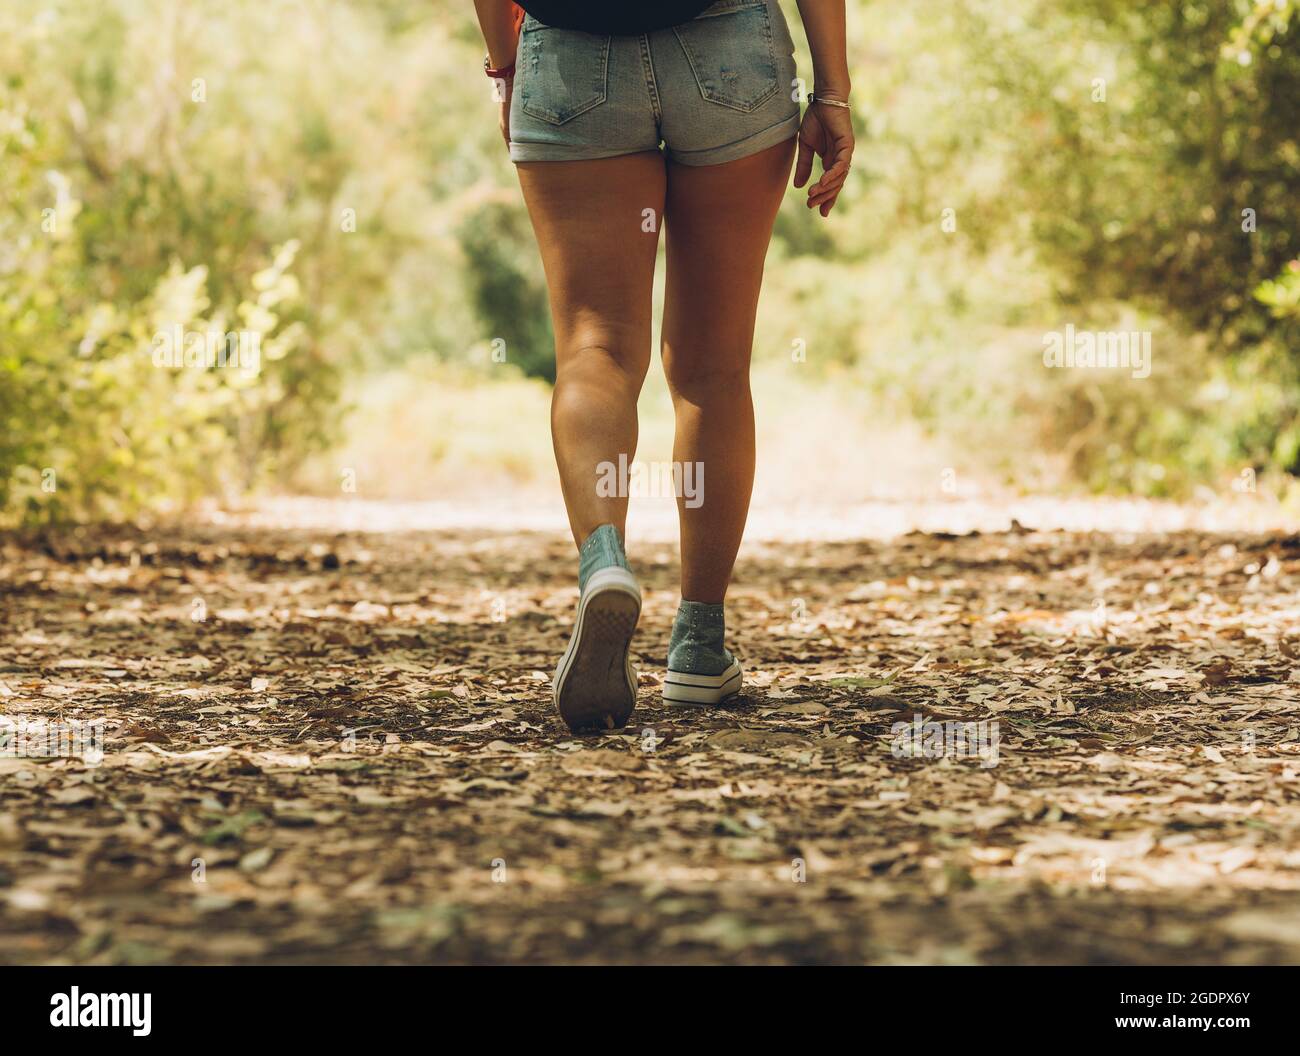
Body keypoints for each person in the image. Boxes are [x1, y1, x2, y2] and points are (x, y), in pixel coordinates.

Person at [472, 0, 854, 732]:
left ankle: (605, 560)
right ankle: (699, 647)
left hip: (573, 58)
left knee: (595, 348)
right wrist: (832, 91)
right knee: (714, 367)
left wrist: (508, 69)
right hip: (729, 48)